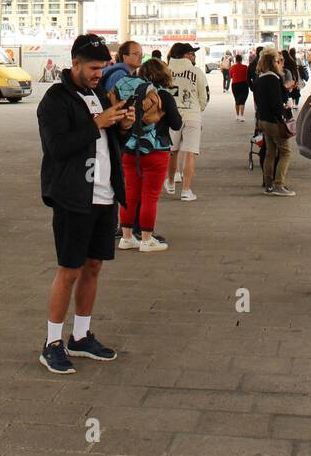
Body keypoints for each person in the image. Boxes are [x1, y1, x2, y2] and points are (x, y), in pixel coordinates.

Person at [36, 33, 134, 374]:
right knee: (69, 270)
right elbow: (56, 147)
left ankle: (80, 336)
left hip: (104, 195)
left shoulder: (97, 94)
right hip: (73, 196)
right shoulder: (55, 99)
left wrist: (122, 127)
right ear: (74, 63)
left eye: (102, 67)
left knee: (94, 267)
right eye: (93, 68)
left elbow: (106, 141)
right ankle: (51, 342)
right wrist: (97, 123)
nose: (98, 73)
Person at [118, 58, 182, 253]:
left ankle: (126, 238)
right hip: (155, 150)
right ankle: (146, 239)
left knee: (130, 195)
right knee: (149, 197)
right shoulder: (163, 95)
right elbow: (176, 124)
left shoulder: (131, 93)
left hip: (130, 149)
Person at [165, 42, 208, 201]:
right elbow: (204, 95)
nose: (194, 56)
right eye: (191, 53)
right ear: (184, 55)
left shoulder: (166, 71)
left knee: (172, 151)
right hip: (192, 115)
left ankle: (170, 182)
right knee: (190, 152)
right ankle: (186, 190)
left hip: (172, 116)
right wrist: (199, 108)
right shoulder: (196, 72)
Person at [254, 48, 294, 196]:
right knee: (286, 152)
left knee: (270, 152)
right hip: (274, 121)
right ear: (273, 63)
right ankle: (279, 185)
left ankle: (268, 185)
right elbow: (277, 103)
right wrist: (282, 117)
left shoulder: (259, 78)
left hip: (262, 120)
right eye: (278, 61)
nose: (279, 63)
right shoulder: (273, 79)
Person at [229, 52, 250, 119]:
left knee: (237, 100)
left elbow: (231, 76)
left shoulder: (232, 67)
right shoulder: (245, 67)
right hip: (244, 84)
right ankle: (242, 116)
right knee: (242, 101)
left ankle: (237, 115)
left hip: (235, 85)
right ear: (241, 60)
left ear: (236, 60)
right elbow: (247, 76)